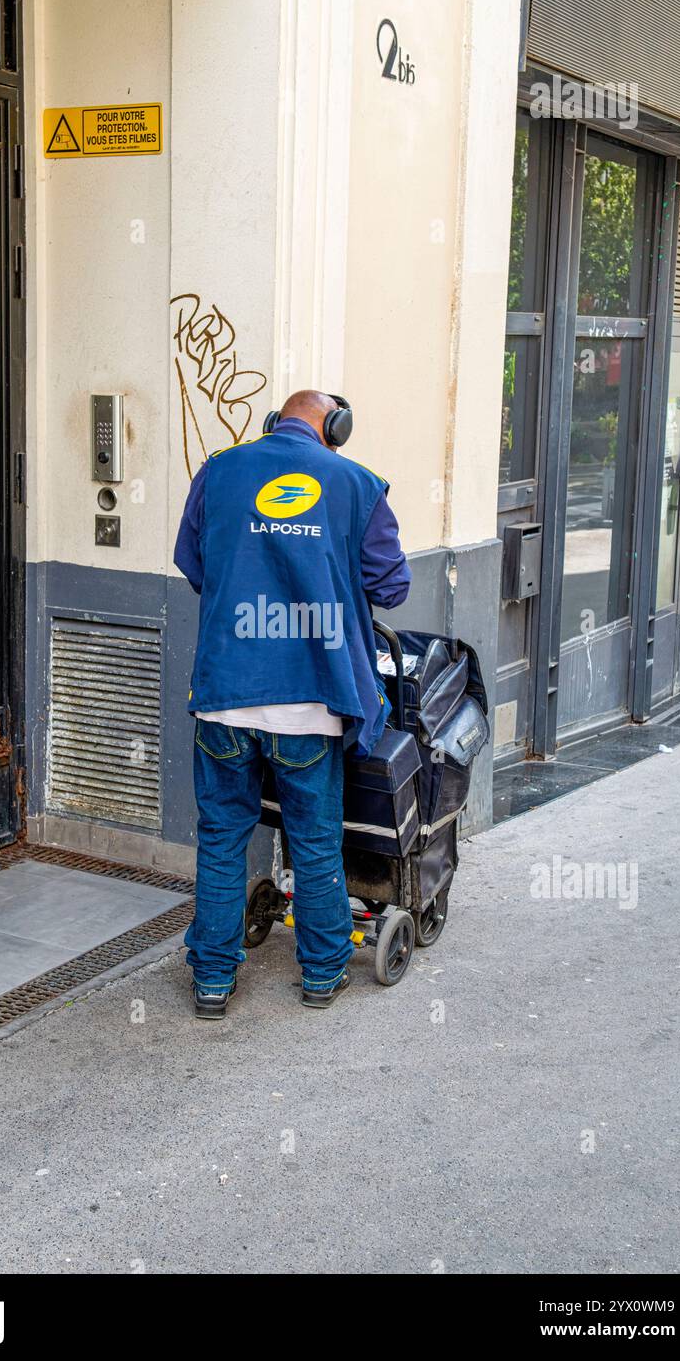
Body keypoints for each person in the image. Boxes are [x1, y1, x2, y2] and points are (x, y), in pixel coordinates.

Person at [173, 390, 410, 1018]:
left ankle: (213, 980)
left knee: (223, 836)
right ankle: (323, 971)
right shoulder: (358, 484)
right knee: (314, 837)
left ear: (276, 422)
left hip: (225, 696)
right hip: (311, 699)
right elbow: (392, 585)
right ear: (335, 427)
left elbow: (194, 564)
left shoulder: (218, 469)